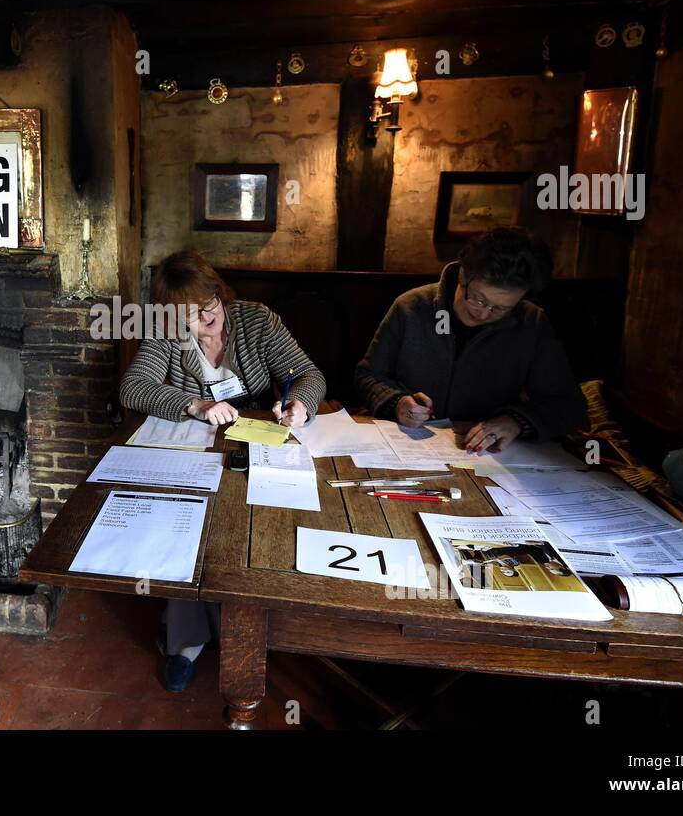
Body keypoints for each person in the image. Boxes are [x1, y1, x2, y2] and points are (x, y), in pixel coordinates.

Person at [119, 249, 326, 691]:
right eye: (190, 313)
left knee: (254, 527)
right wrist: (194, 404)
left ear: (219, 292)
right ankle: (185, 642)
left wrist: (300, 404)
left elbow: (309, 374)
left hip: (253, 445)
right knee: (186, 528)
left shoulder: (256, 320)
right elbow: (133, 388)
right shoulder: (166, 332)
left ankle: (241, 622)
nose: (204, 316)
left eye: (208, 303)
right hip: (194, 451)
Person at [354, 226, 587, 451]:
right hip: (406, 443)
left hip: (484, 454)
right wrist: (397, 403)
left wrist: (515, 421)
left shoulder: (531, 322)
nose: (483, 313)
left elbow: (568, 405)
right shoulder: (412, 307)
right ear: (463, 274)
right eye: (477, 299)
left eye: (500, 309)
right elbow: (368, 375)